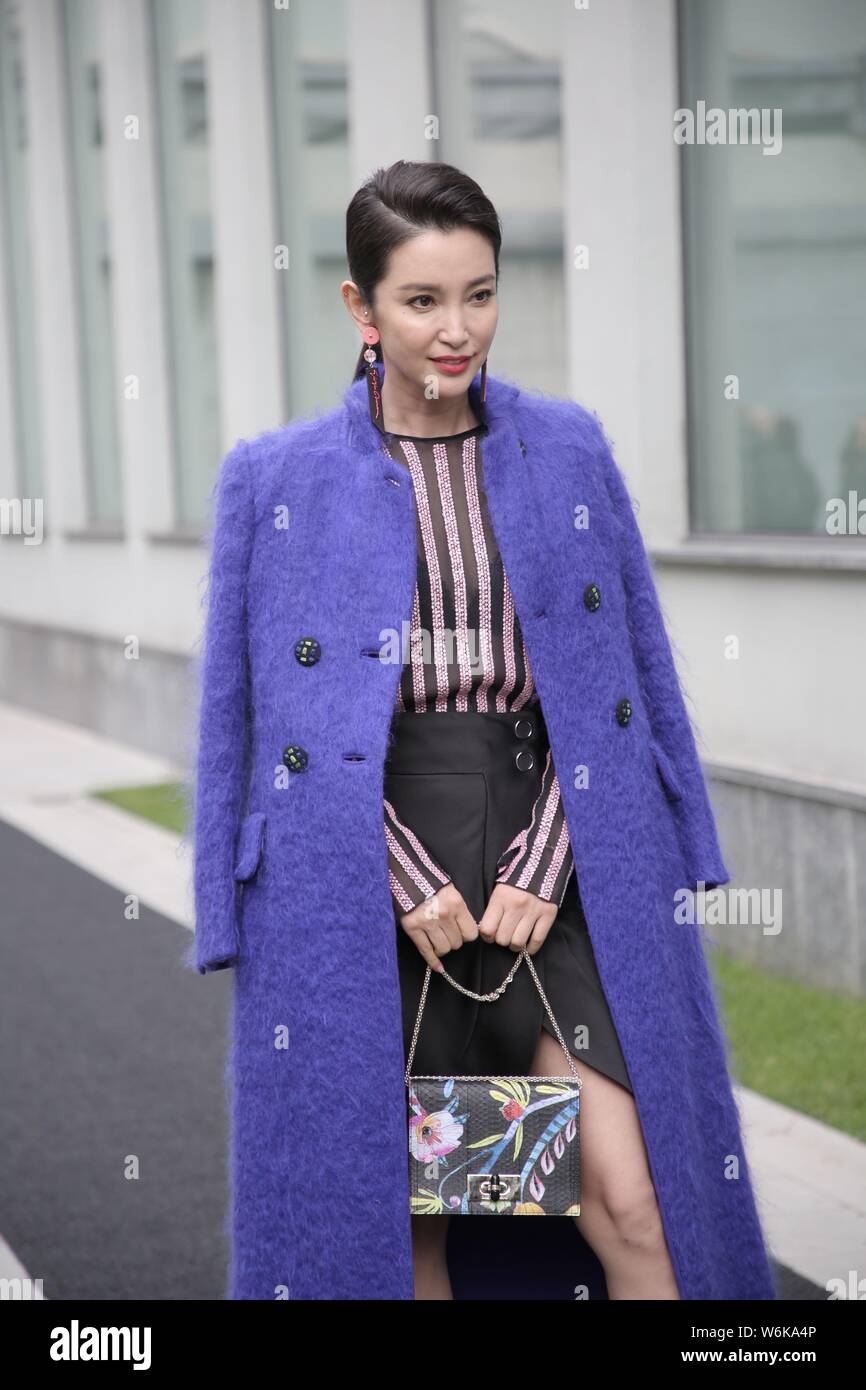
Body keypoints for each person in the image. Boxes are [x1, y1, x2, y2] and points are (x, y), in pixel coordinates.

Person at [341, 160, 673, 1300]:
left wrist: (539, 862)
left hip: (547, 853)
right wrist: (403, 878)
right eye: (421, 300)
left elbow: (618, 690)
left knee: (629, 1202)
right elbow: (287, 740)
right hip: (388, 879)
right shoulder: (294, 481)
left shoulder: (560, 451)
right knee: (423, 1225)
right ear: (360, 308)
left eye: (478, 294)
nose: (455, 329)